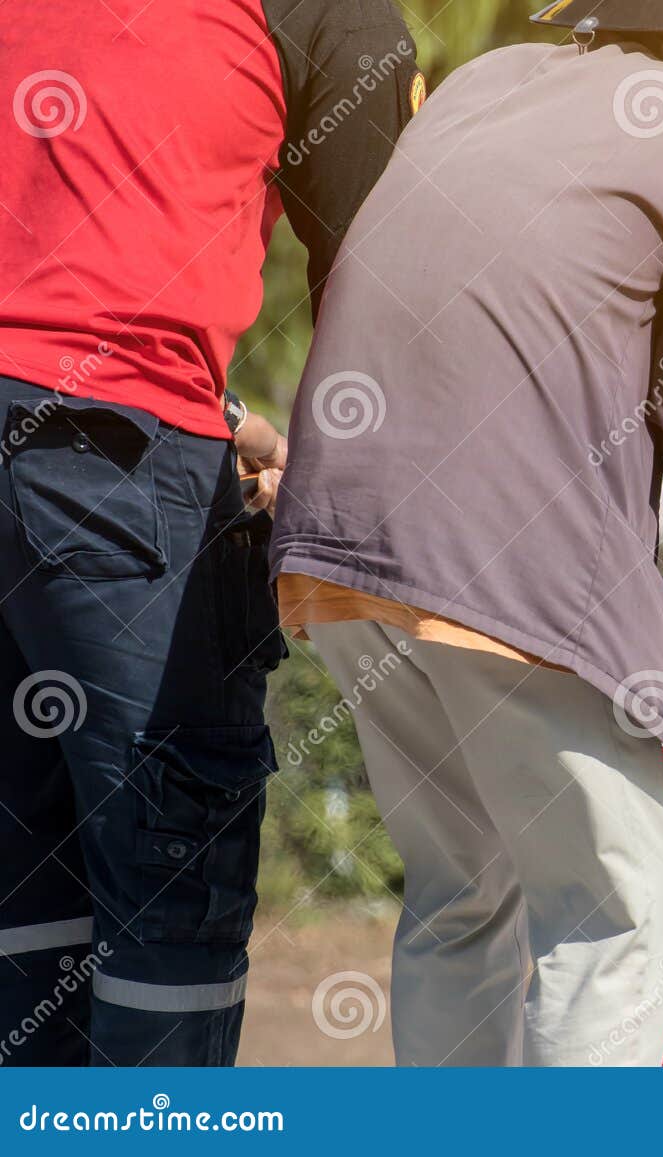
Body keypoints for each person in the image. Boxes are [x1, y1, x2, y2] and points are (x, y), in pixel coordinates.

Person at [270, 0, 663, 1065]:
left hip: (343, 546)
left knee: (459, 892)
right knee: (612, 910)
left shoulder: (486, 84)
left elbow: (534, 294)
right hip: (501, 565)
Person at [0, 0, 422, 1065]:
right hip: (113, 457)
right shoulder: (336, 16)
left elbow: (47, 274)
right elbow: (387, 298)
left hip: (79, 433)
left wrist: (219, 422)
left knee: (26, 865)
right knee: (169, 863)